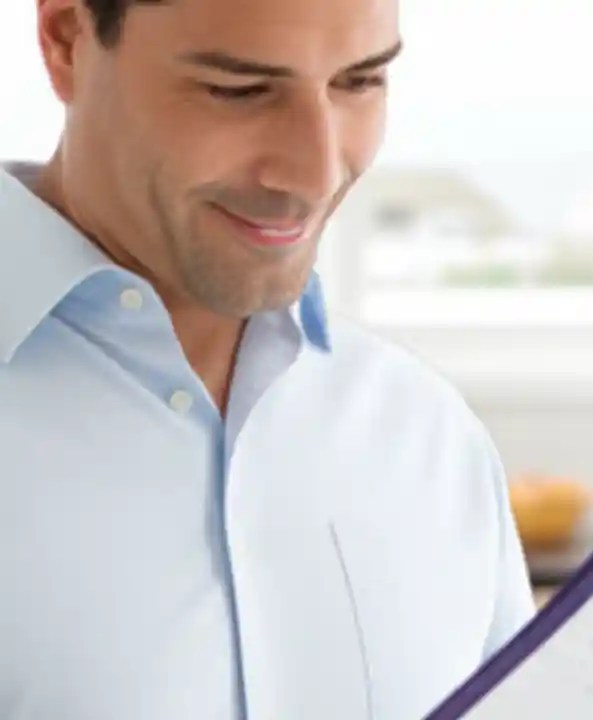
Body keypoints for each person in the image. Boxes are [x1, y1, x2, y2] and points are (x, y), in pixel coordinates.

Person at [0, 0, 535, 717]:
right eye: (239, 90)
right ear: (67, 41)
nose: (315, 172)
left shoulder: (429, 435)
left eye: (360, 82)